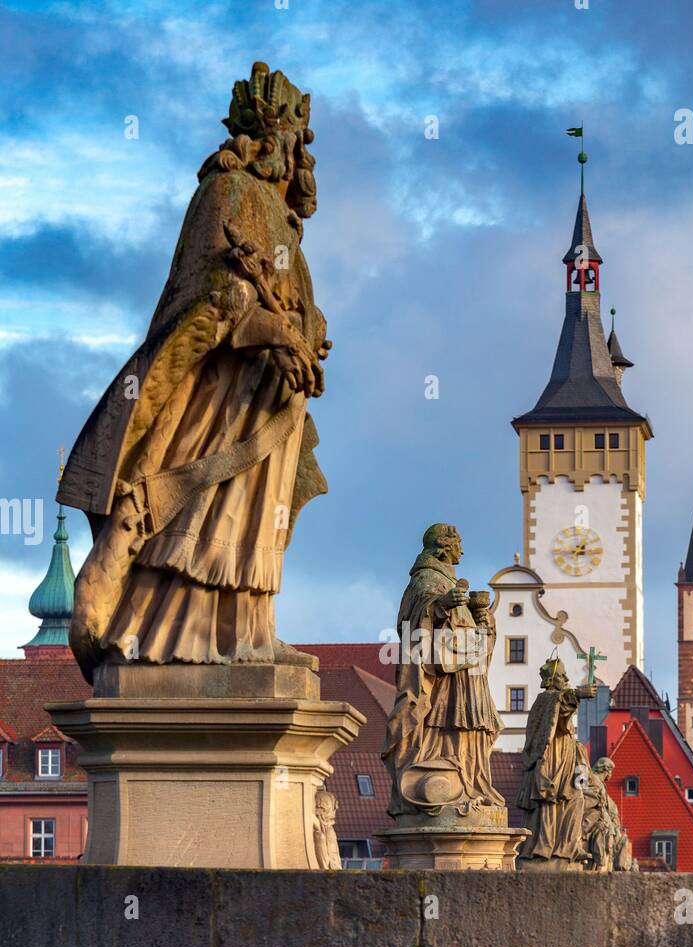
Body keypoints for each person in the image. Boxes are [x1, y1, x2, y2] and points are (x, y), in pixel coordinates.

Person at [58, 63, 331, 680]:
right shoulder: (226, 193)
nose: (302, 154)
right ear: (275, 136)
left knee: (251, 520)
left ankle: (247, 631)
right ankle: (162, 631)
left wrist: (308, 335)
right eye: (297, 135)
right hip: (216, 398)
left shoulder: (282, 220)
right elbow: (205, 295)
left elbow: (296, 301)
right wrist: (265, 329)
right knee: (195, 506)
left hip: (267, 399)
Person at [382, 523, 503, 817]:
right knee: (441, 725)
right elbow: (410, 624)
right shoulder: (426, 578)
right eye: (458, 542)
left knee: (469, 728)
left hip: (464, 673)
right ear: (445, 546)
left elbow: (466, 633)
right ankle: (443, 775)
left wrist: (478, 617)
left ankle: (470, 783)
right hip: (442, 678)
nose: (462, 548)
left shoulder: (448, 579)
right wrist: (440, 605)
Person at [517, 658, 584, 869]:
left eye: (565, 676)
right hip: (551, 756)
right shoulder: (546, 699)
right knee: (549, 800)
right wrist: (578, 694)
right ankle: (543, 849)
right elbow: (562, 703)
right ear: (550, 679)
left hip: (564, 755)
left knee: (574, 799)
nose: (565, 679)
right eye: (561, 676)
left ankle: (568, 847)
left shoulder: (553, 699)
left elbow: (563, 713)